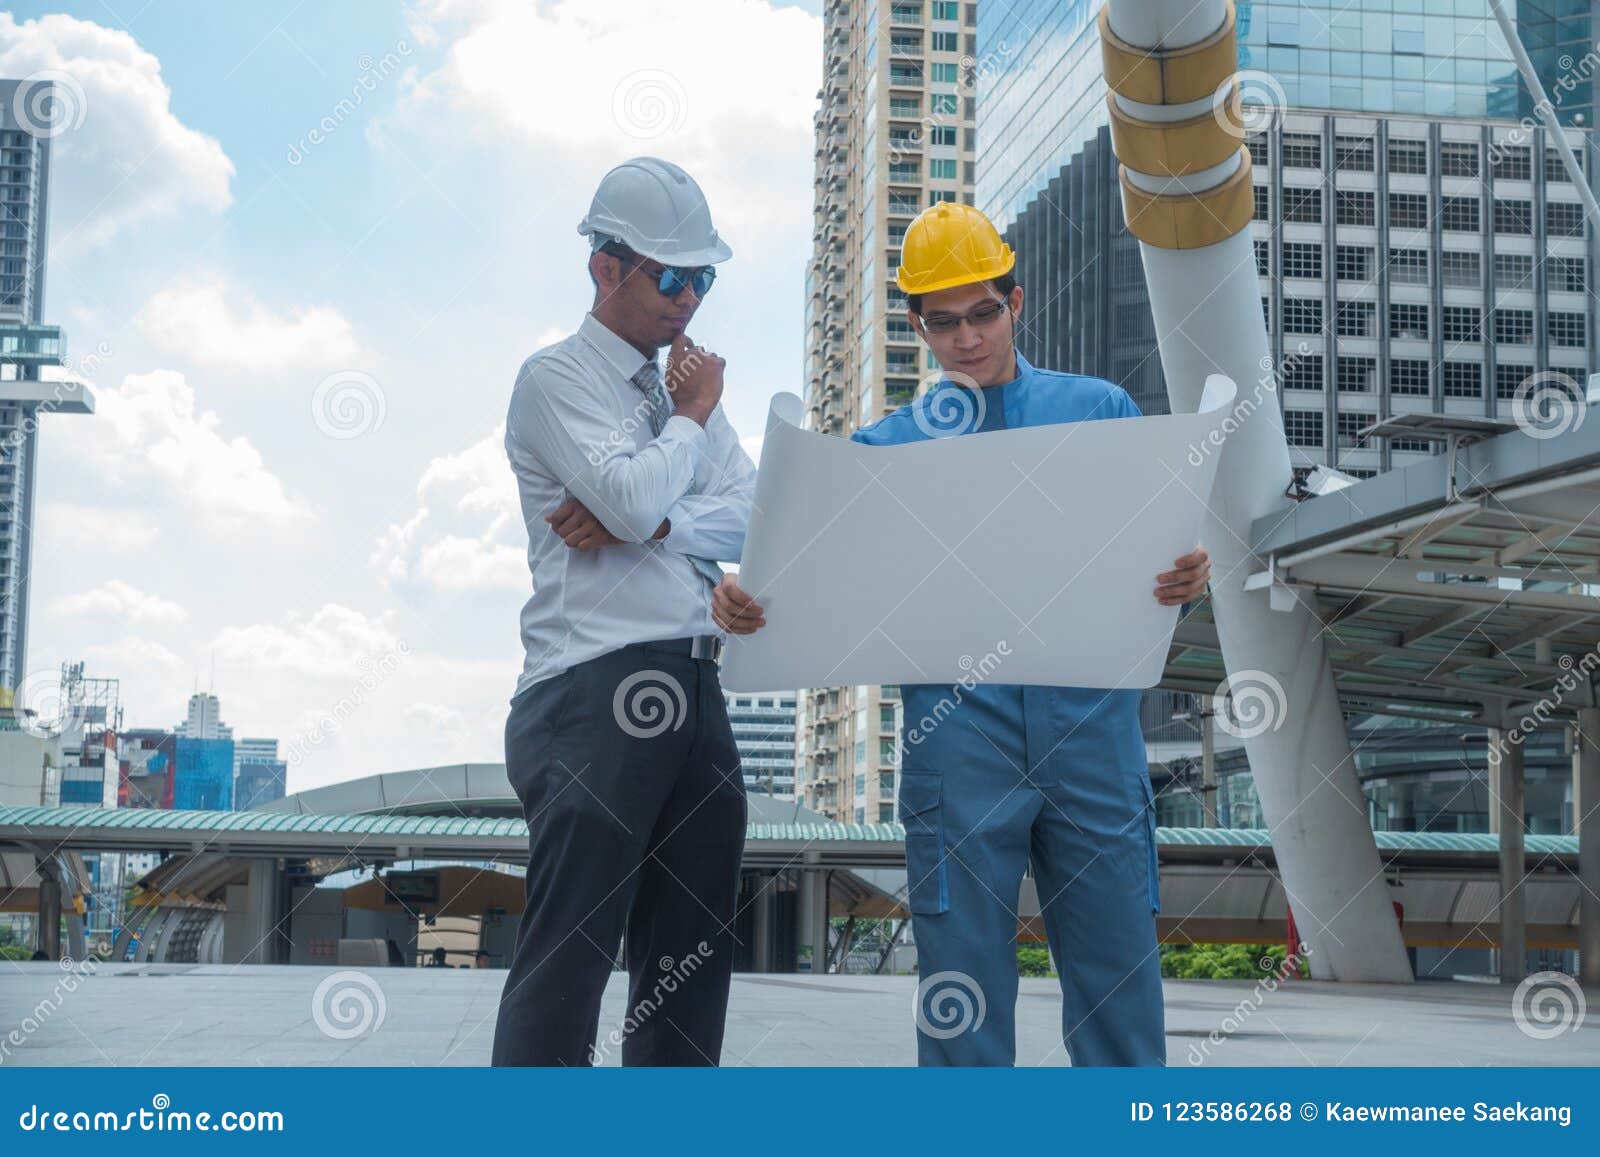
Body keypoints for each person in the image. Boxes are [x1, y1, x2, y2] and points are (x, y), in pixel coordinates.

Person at [714, 201, 1210, 1067]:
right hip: (959, 741)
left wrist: (1187, 581)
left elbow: (1154, 562)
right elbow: (807, 587)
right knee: (961, 996)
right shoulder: (879, 451)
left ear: (1016, 302)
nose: (968, 339)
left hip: (1093, 733)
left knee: (1119, 988)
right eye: (944, 322)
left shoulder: (1101, 411)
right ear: (917, 325)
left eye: (983, 313)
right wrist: (743, 603)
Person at [492, 156, 755, 1067]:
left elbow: (753, 511)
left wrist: (654, 513)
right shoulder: (557, 378)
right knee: (568, 958)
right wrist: (687, 427)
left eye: (704, 280)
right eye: (672, 277)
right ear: (607, 268)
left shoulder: (678, 391)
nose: (689, 301)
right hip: (591, 689)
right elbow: (635, 499)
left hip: (696, 679)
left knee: (690, 956)